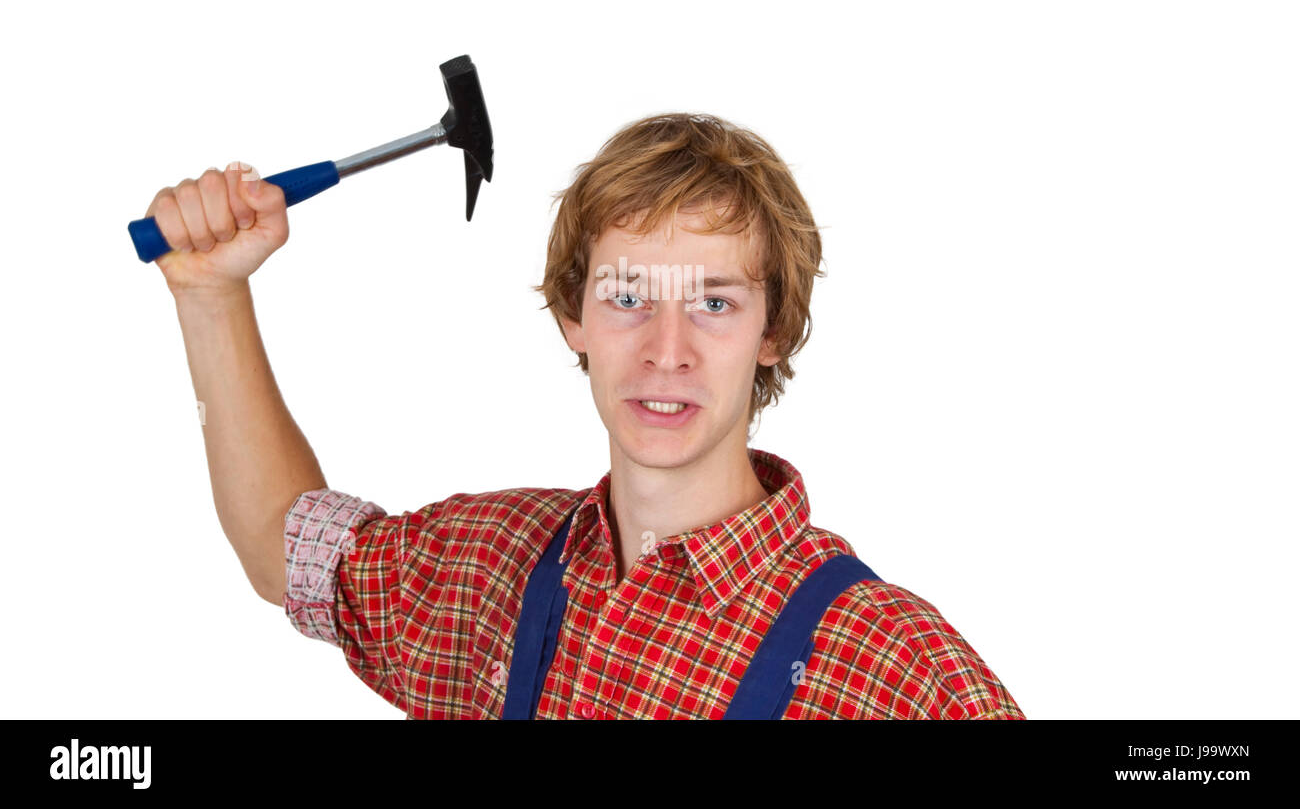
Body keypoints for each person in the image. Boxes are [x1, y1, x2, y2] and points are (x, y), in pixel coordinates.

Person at [148, 112, 1025, 719]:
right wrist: (212, 298)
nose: (666, 350)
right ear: (574, 314)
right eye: (628, 295)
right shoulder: (488, 568)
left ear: (775, 328)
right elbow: (283, 544)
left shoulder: (895, 671)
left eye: (714, 303)